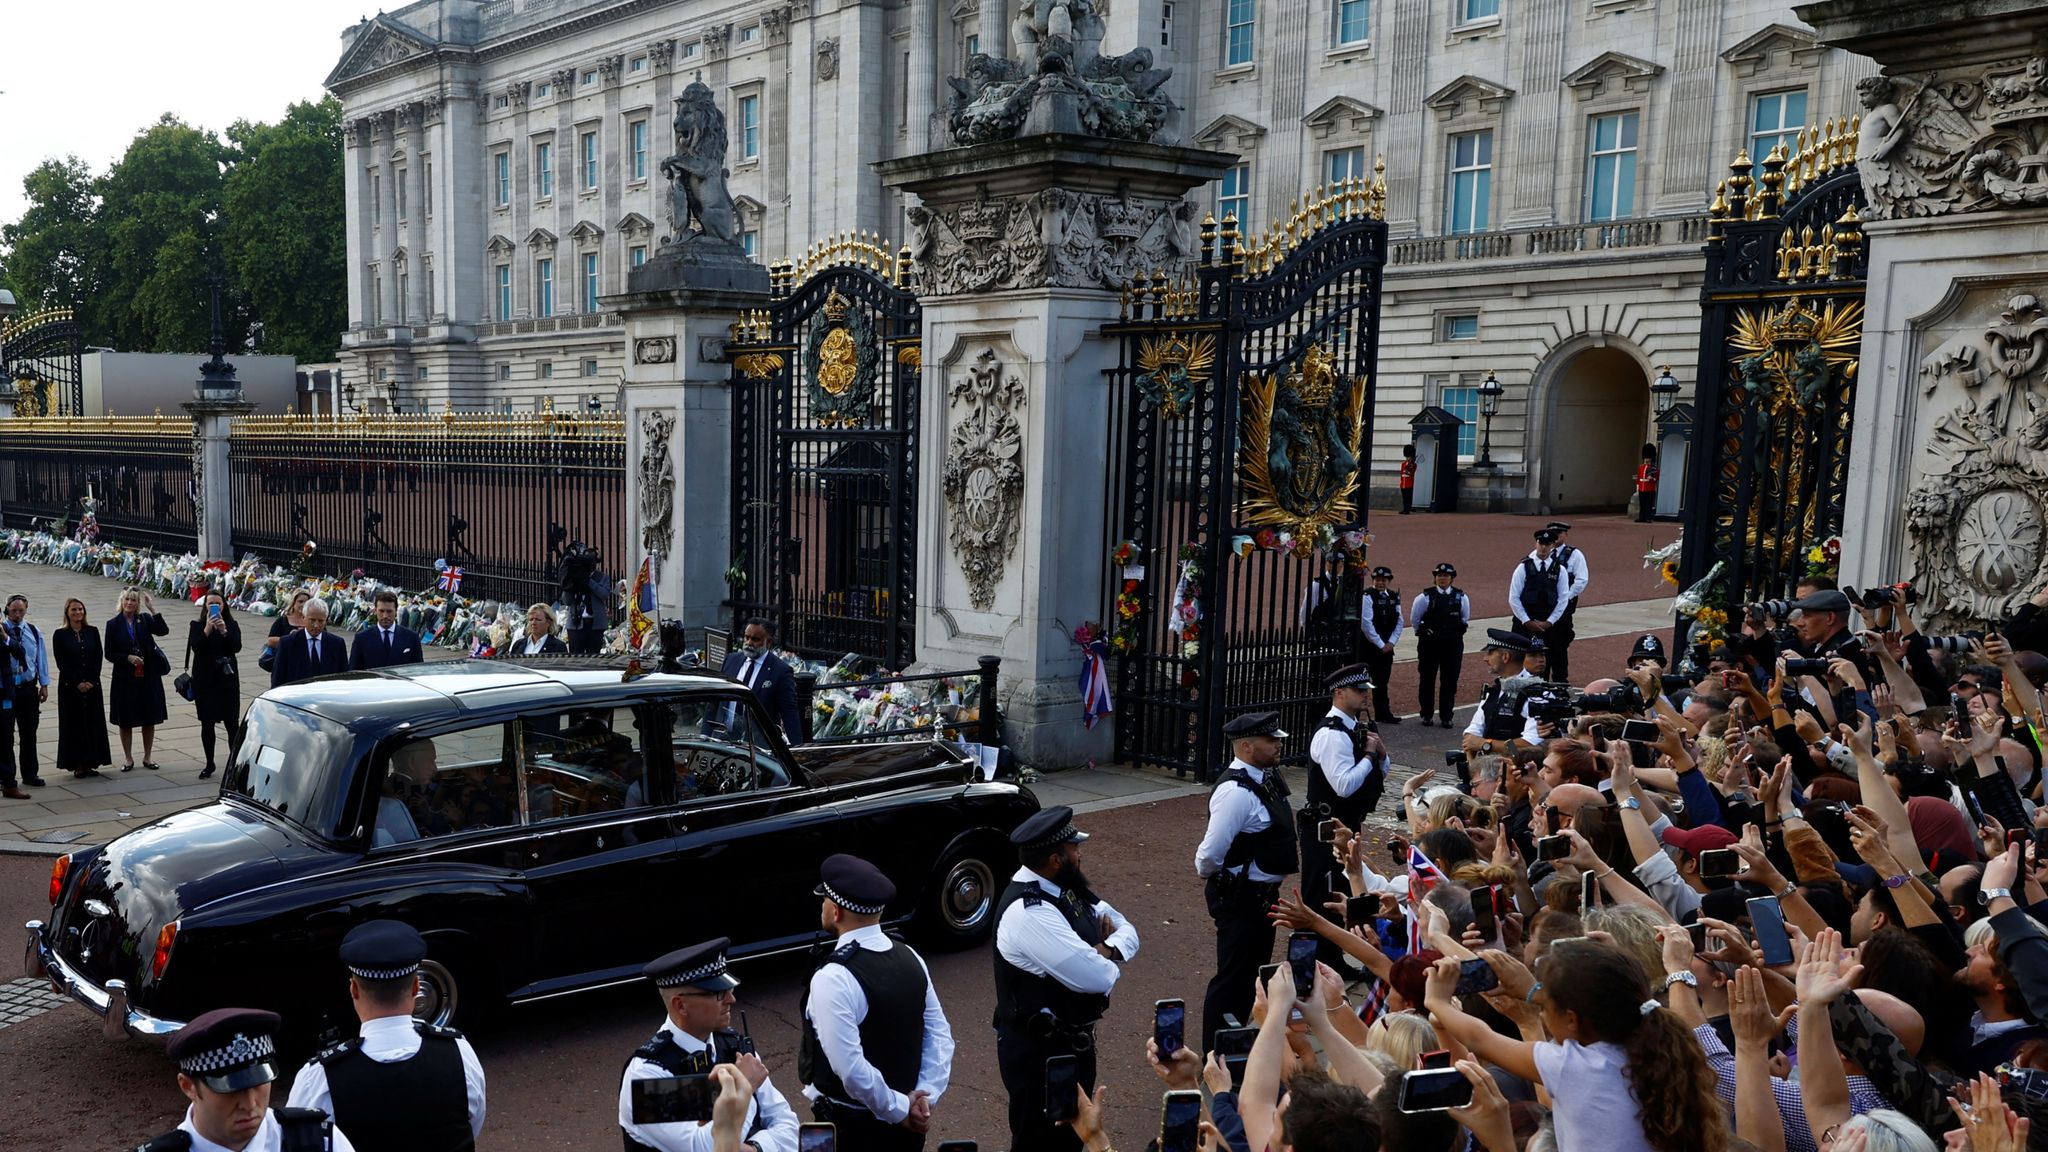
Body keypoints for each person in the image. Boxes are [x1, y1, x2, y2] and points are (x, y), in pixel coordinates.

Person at [993, 806, 1138, 1152]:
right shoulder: (1030, 913)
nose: (1080, 854)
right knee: (1040, 1144)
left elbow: (1128, 929)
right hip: (1039, 1054)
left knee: (1073, 1138)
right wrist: (1104, 953)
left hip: (1071, 1044)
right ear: (1056, 859)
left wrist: (1104, 948)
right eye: (1075, 849)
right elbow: (1098, 977)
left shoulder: (1066, 889)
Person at [799, 854, 954, 1152]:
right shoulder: (911, 957)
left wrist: (899, 1110)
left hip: (853, 1129)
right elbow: (940, 1036)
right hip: (908, 1125)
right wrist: (923, 1098)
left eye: (825, 900)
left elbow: (851, 1070)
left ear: (836, 911)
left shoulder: (834, 976)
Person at [288, 920, 486, 1152]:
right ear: (416, 987)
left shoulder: (319, 1078)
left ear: (353, 989)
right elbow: (471, 1125)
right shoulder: (459, 1054)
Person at [618, 937, 799, 1152]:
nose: (731, 999)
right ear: (681, 1005)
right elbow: (706, 1148)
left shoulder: (734, 1048)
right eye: (718, 993)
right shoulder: (648, 1074)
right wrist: (745, 1089)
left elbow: (789, 1127)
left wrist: (755, 1149)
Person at [1195, 711, 1297, 1048]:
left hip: (1261, 897)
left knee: (1251, 973)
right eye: (1271, 740)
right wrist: (1223, 879)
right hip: (1241, 898)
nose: (1278, 744)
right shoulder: (1236, 792)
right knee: (1232, 978)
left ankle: (1235, 1039)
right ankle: (1215, 1050)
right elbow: (1209, 854)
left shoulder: (1263, 777)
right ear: (1247, 745)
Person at [143, 1006, 358, 1152]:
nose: (249, 1104)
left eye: (258, 1083)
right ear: (188, 1086)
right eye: (230, 1088)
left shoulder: (320, 1142)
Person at [1302, 664, 1385, 913]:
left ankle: (1336, 947)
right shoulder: (1332, 734)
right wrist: (1369, 757)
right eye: (1358, 690)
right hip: (1326, 827)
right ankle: (1322, 949)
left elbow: (1379, 774)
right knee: (1325, 894)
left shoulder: (1355, 727)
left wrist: (1381, 755)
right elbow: (1344, 786)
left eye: (1366, 689)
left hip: (1347, 824)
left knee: (1347, 887)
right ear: (1339, 692)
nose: (1365, 694)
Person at [105, 586, 170, 772]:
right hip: (125, 678)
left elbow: (163, 631)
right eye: (127, 599)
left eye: (133, 600)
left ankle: (148, 756)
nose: (129, 603)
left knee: (149, 717)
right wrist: (127, 658)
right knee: (125, 719)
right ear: (121, 601)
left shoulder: (144, 619)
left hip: (147, 676)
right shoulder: (113, 624)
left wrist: (153, 609)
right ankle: (128, 757)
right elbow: (109, 653)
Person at [1460, 629, 1544, 760]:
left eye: (1490, 653)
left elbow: (1530, 746)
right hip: (1487, 771)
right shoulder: (1495, 689)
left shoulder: (1537, 694)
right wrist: (1472, 765)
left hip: (1520, 771)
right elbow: (1473, 731)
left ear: (1505, 657)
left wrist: (1486, 744)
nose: (1485, 658)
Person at [185, 592, 243, 780]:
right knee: (207, 723)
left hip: (227, 681)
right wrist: (208, 629)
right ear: (205, 606)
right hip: (206, 681)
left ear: (224, 606)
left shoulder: (232, 625)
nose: (214, 607)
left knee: (232, 724)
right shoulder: (197, 626)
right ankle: (209, 763)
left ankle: (234, 764)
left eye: (217, 603)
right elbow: (197, 647)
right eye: (211, 604)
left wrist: (224, 630)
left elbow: (236, 647)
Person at [50, 597, 110, 781]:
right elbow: (62, 662)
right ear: (67, 613)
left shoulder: (92, 631)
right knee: (73, 724)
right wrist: (77, 683)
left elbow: (98, 656)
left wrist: (91, 680)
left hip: (92, 685)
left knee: (92, 722)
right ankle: (77, 763)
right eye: (74, 610)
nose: (77, 613)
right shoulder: (60, 635)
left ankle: (91, 761)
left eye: (80, 609)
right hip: (70, 687)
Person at [721, 618, 803, 745]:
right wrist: (705, 734)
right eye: (746, 637)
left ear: (768, 642)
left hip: (758, 745)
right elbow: (715, 704)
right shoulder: (731, 660)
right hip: (724, 739)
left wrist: (797, 748)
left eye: (755, 639)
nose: (748, 643)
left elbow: (789, 712)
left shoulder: (780, 671)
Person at [1510, 528, 1573, 683]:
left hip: (1548, 625)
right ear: (1536, 543)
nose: (1543, 547)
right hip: (1525, 624)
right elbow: (1514, 598)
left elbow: (1563, 600)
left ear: (1552, 545)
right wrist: (1527, 621)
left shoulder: (1560, 570)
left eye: (1547, 544)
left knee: (1547, 661)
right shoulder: (1523, 567)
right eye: (1541, 543)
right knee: (1520, 661)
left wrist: (1549, 622)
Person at [1412, 563, 1470, 727]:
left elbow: (1464, 618)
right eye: (1439, 575)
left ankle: (1446, 716)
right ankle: (1426, 714)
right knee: (1427, 679)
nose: (1442, 578)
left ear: (1451, 578)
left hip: (1452, 644)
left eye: (1445, 575)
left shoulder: (1461, 597)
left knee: (1450, 680)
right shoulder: (1425, 597)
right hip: (1429, 644)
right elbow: (1415, 620)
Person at [4, 595, 49, 789]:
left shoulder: (32, 630)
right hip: (6, 690)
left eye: (21, 611)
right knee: (5, 734)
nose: (17, 615)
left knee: (29, 733)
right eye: (14, 611)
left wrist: (44, 683)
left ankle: (30, 773)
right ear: (7, 609)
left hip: (28, 688)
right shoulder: (2, 631)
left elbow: (41, 657)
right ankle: (6, 776)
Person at [1545, 521, 1590, 683]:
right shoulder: (1542, 552)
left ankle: (1560, 681)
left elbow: (1581, 580)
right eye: (1553, 533)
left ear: (1565, 535)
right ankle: (1541, 680)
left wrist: (1565, 597)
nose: (1556, 536)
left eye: (1560, 533)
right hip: (1544, 607)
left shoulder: (1574, 554)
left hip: (1563, 608)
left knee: (1559, 646)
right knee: (1542, 645)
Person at [1359, 566, 1403, 724]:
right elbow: (1366, 624)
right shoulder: (1367, 596)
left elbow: (1400, 621)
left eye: (1384, 580)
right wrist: (1380, 643)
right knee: (1361, 683)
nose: (1380, 583)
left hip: (1386, 648)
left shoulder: (1393, 596)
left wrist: (1391, 642)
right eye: (1377, 580)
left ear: (1389, 581)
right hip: (1369, 648)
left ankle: (1383, 713)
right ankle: (1356, 716)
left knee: (1382, 683)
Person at [272, 599, 349, 688]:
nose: (316, 625)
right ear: (303, 618)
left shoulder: (337, 644)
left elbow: (343, 678)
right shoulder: (288, 643)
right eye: (312, 620)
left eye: (321, 621)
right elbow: (277, 678)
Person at [350, 591, 423, 670]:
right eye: (381, 611)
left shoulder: (411, 637)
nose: (385, 616)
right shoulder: (361, 638)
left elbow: (418, 670)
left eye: (389, 611)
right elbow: (353, 671)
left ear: (396, 611)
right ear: (375, 610)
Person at [264, 588, 314, 673]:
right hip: (286, 662)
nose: (303, 604)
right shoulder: (282, 621)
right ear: (293, 603)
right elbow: (270, 641)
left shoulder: (314, 621)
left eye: (307, 602)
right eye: (300, 601)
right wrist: (290, 638)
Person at [504, 603, 568, 657]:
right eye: (531, 619)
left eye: (538, 619)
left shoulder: (558, 646)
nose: (533, 623)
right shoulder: (518, 644)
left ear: (548, 622)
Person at [1635, 446, 1659, 522]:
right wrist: (1638, 487)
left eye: (1648, 458)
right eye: (1646, 458)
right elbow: (1638, 478)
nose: (1646, 459)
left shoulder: (1654, 468)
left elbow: (1656, 478)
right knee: (1642, 504)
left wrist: (1652, 479)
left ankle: (1648, 517)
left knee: (1648, 504)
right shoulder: (1641, 467)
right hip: (1642, 488)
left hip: (1650, 488)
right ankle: (1641, 517)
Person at [1398, 443, 1416, 515]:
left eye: (1409, 457)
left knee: (1408, 498)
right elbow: (1402, 474)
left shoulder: (1413, 465)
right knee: (1404, 498)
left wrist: (1409, 467)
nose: (1408, 458)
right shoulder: (1403, 464)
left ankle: (1407, 509)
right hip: (1403, 484)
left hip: (1409, 484)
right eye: (1407, 457)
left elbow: (1411, 473)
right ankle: (1404, 509)